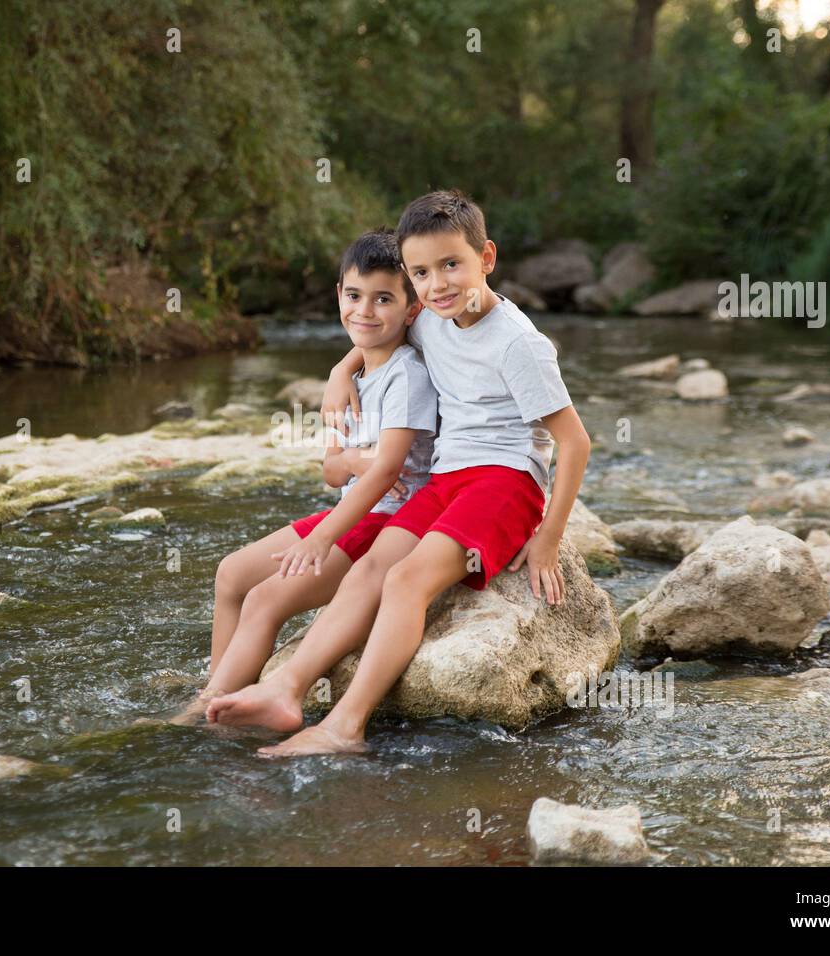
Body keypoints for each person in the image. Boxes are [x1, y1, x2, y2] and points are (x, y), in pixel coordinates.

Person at [206, 189, 590, 756]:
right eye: (422, 272)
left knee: (405, 581)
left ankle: (345, 726)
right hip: (446, 478)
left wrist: (549, 539)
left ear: (486, 257)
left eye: (451, 265)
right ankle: (286, 688)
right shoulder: (431, 319)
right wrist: (341, 369)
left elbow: (574, 442)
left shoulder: (519, 344)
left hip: (505, 480)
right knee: (371, 570)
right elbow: (374, 336)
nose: (438, 284)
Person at [167, 229, 438, 724]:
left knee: (265, 598)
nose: (365, 311)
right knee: (231, 573)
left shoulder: (407, 376)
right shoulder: (352, 380)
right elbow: (333, 470)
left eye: (383, 300)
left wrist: (325, 536)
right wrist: (354, 459)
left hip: (385, 524)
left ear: (411, 308)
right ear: (339, 295)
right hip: (349, 511)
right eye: (354, 296)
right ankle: (221, 680)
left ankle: (206, 712)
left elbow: (386, 476)